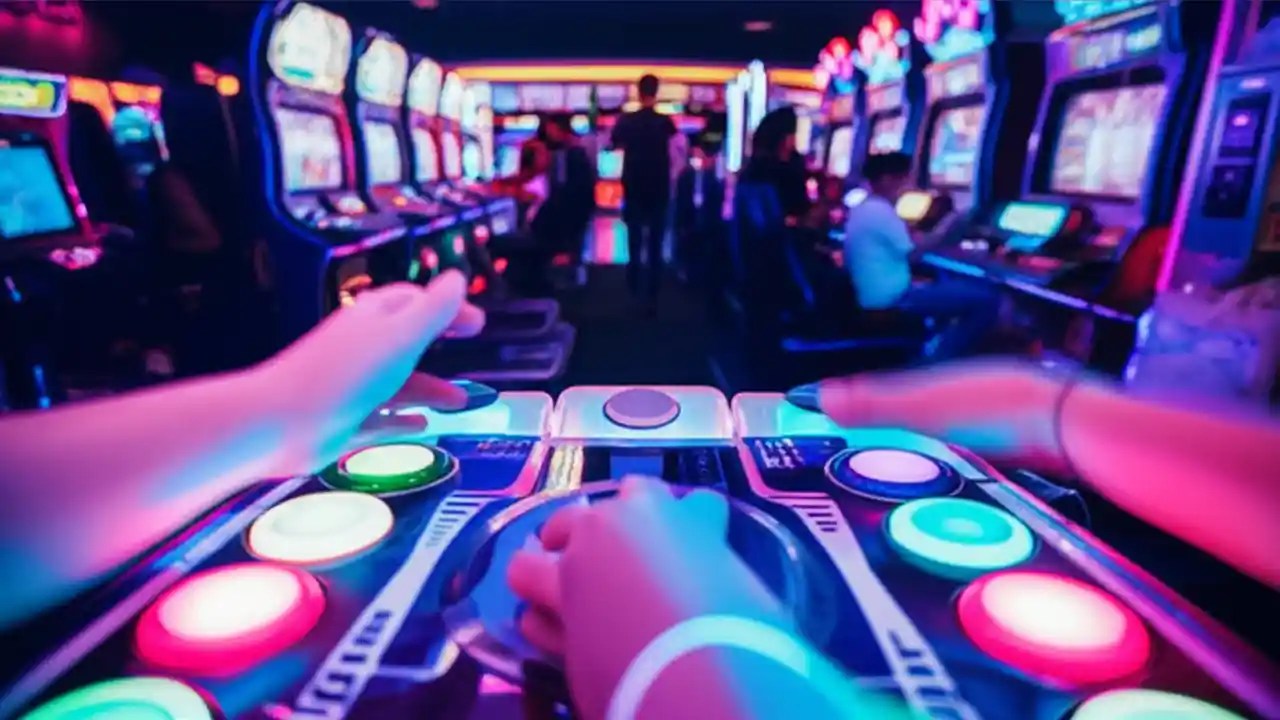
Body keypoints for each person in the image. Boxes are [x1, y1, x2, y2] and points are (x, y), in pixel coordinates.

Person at [843, 151, 998, 359]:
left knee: (957, 286)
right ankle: (939, 363)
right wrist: (949, 225)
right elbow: (914, 253)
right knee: (986, 298)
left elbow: (906, 242)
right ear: (887, 179)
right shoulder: (879, 211)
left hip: (879, 292)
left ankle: (936, 348)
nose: (908, 187)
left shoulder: (865, 208)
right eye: (904, 179)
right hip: (892, 298)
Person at [610, 74, 678, 312]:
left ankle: (634, 289)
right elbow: (676, 150)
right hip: (659, 187)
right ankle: (653, 294)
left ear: (638, 92)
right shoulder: (666, 123)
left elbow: (614, 144)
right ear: (656, 92)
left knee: (635, 241)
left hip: (634, 186)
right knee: (656, 244)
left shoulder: (626, 121)